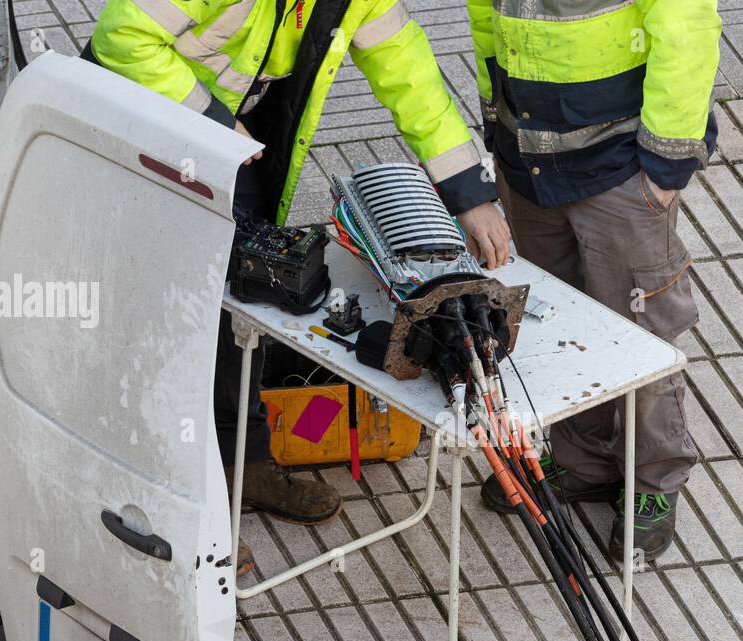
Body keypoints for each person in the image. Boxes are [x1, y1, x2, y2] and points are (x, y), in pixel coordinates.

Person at [82, 0, 511, 556]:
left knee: (245, 299)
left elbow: (410, 75)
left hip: (228, 137)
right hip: (135, 121)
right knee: (158, 315)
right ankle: (164, 510)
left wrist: (469, 192)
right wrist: (211, 119)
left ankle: (247, 463)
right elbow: (123, 39)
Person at [468, 0, 721, 562]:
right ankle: (583, 461)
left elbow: (687, 26)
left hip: (621, 167)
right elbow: (488, 15)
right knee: (558, 321)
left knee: (639, 332)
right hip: (529, 161)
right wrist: (498, 120)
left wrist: (666, 168)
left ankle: (654, 481)